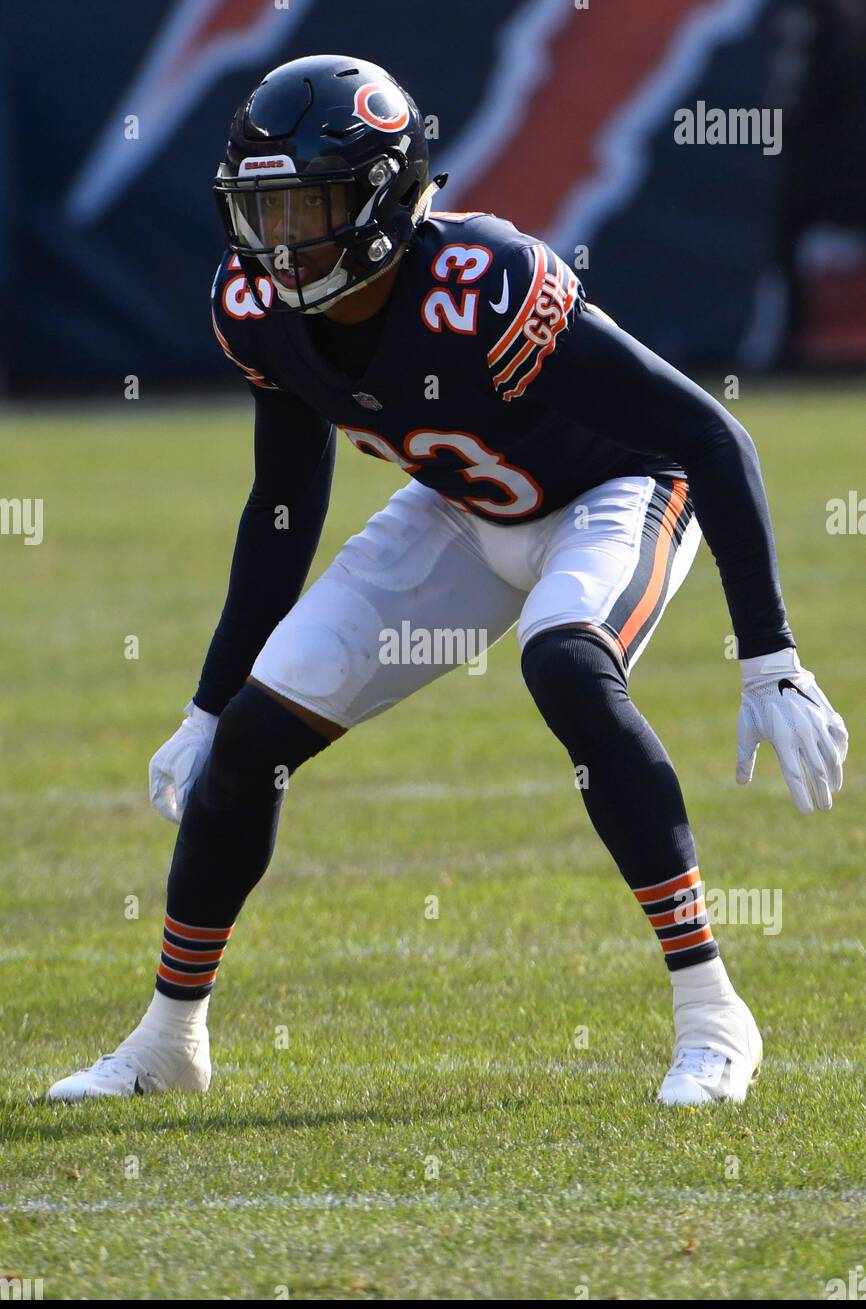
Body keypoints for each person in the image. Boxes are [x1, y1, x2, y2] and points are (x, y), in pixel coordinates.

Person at [49, 54, 847, 1107]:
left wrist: (768, 655)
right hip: (463, 514)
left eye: (308, 207)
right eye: (264, 209)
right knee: (250, 736)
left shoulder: (481, 283)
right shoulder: (258, 307)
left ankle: (712, 1015)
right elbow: (282, 504)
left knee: (563, 663)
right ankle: (167, 1041)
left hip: (612, 489)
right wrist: (205, 704)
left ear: (381, 203)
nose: (281, 241)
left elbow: (707, 432)